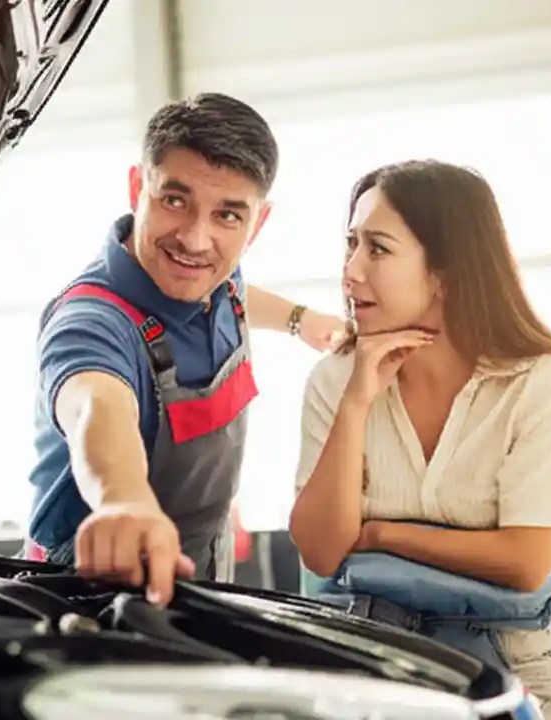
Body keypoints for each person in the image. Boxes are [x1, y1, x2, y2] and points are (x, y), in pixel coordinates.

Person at [289, 159, 551, 719]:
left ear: (447, 272)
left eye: (377, 249)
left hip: (511, 664)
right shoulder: (335, 380)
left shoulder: (544, 382)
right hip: (365, 652)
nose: (350, 271)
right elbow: (321, 550)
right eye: (351, 244)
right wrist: (356, 404)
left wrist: (380, 534)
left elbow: (526, 560)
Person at [25, 92, 345, 606]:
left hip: (201, 576)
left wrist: (299, 320)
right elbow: (95, 406)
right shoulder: (90, 322)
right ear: (138, 188)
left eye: (227, 216)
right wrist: (123, 499)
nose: (195, 240)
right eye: (175, 201)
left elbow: (239, 295)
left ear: (256, 223)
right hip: (88, 601)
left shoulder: (216, 276)